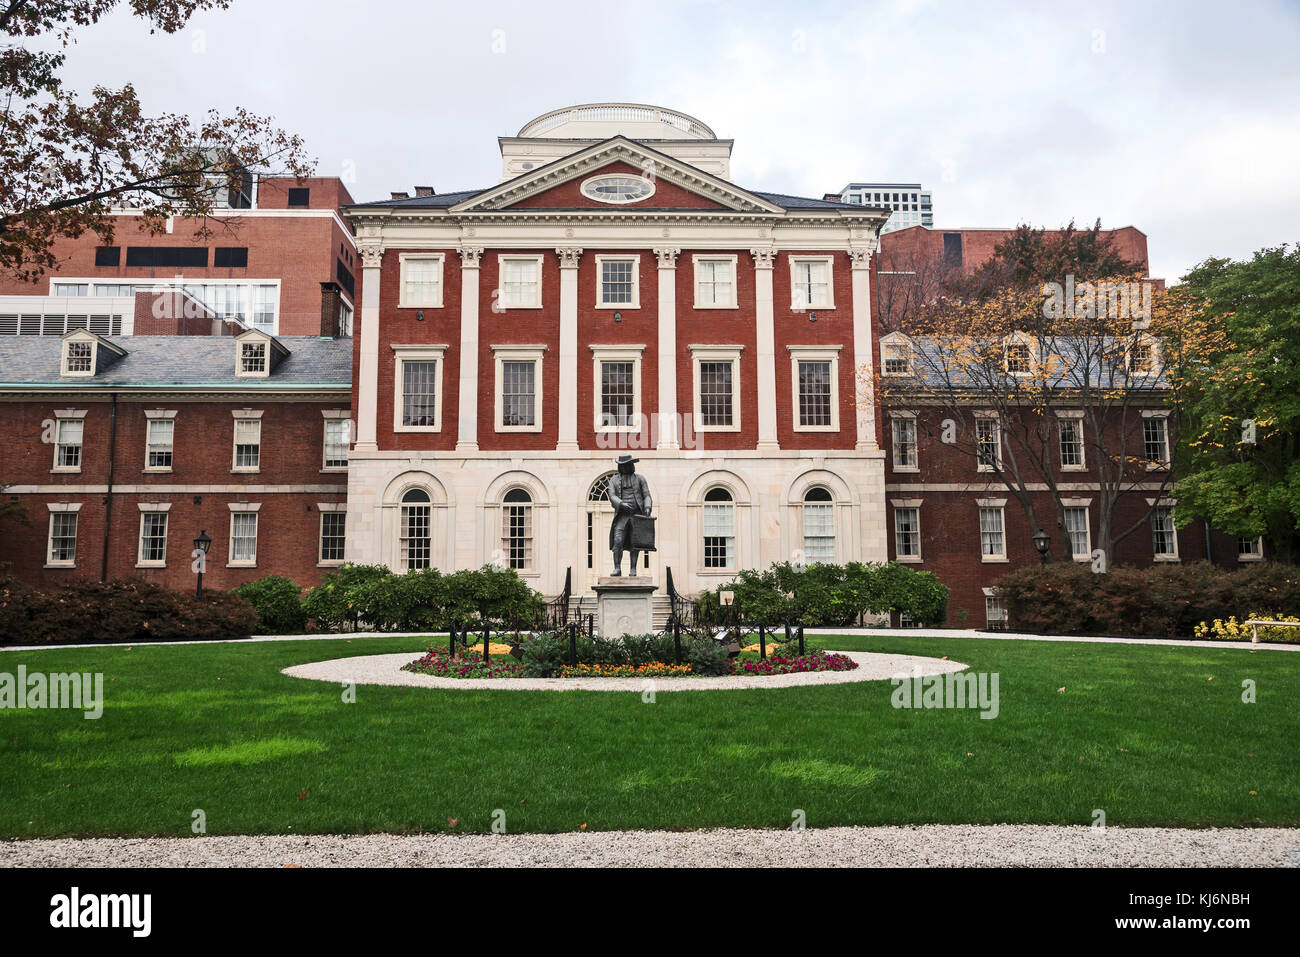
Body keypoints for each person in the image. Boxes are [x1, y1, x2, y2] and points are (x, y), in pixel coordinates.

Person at [608, 454, 652, 576]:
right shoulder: (614, 480)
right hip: (622, 516)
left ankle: (633, 569)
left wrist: (647, 507)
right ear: (620, 467)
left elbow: (647, 495)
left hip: (636, 515)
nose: (627, 467)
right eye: (624, 465)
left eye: (629, 464)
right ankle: (617, 568)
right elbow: (612, 496)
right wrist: (621, 504)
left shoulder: (640, 479)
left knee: (635, 542)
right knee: (617, 541)